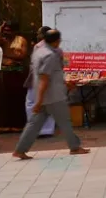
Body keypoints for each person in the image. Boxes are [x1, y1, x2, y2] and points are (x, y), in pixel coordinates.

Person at [12, 29, 90, 159]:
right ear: (56, 41)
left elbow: (49, 75)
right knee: (65, 122)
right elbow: (45, 78)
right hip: (53, 96)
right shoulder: (50, 55)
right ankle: (75, 147)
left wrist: (41, 97)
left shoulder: (38, 51)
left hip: (43, 93)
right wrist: (39, 100)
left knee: (34, 123)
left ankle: (20, 149)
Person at [0, 22, 30, 133]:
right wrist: (0, 32)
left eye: (9, 30)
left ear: (15, 31)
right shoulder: (1, 40)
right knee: (3, 100)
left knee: (17, 99)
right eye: (5, 30)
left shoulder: (21, 40)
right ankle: (3, 126)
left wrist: (5, 53)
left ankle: (17, 125)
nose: (7, 32)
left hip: (17, 74)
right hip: (4, 74)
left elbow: (22, 55)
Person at [24, 27, 55, 138]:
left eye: (39, 33)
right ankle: (47, 129)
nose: (37, 35)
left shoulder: (39, 46)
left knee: (31, 103)